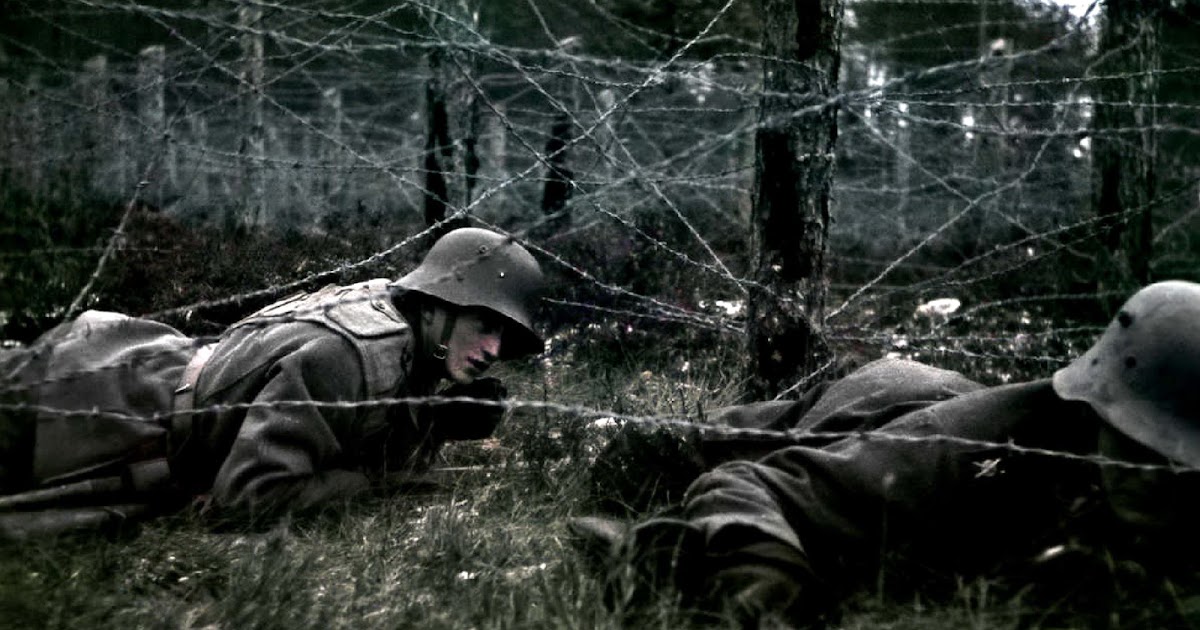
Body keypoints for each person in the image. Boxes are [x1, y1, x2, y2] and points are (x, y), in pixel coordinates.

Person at [572, 280, 1200, 626]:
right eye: (1137, 447)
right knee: (671, 462)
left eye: (1179, 462)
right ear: (1092, 404)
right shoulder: (974, 450)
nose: (1155, 477)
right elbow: (757, 483)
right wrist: (764, 569)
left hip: (929, 407)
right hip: (877, 406)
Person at [0, 227, 546, 539]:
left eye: (505, 336)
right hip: (101, 408)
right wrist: (380, 477)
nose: (494, 351)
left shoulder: (396, 322)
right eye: (485, 324)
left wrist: (428, 424)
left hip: (131, 375)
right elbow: (249, 497)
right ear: (438, 304)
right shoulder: (349, 356)